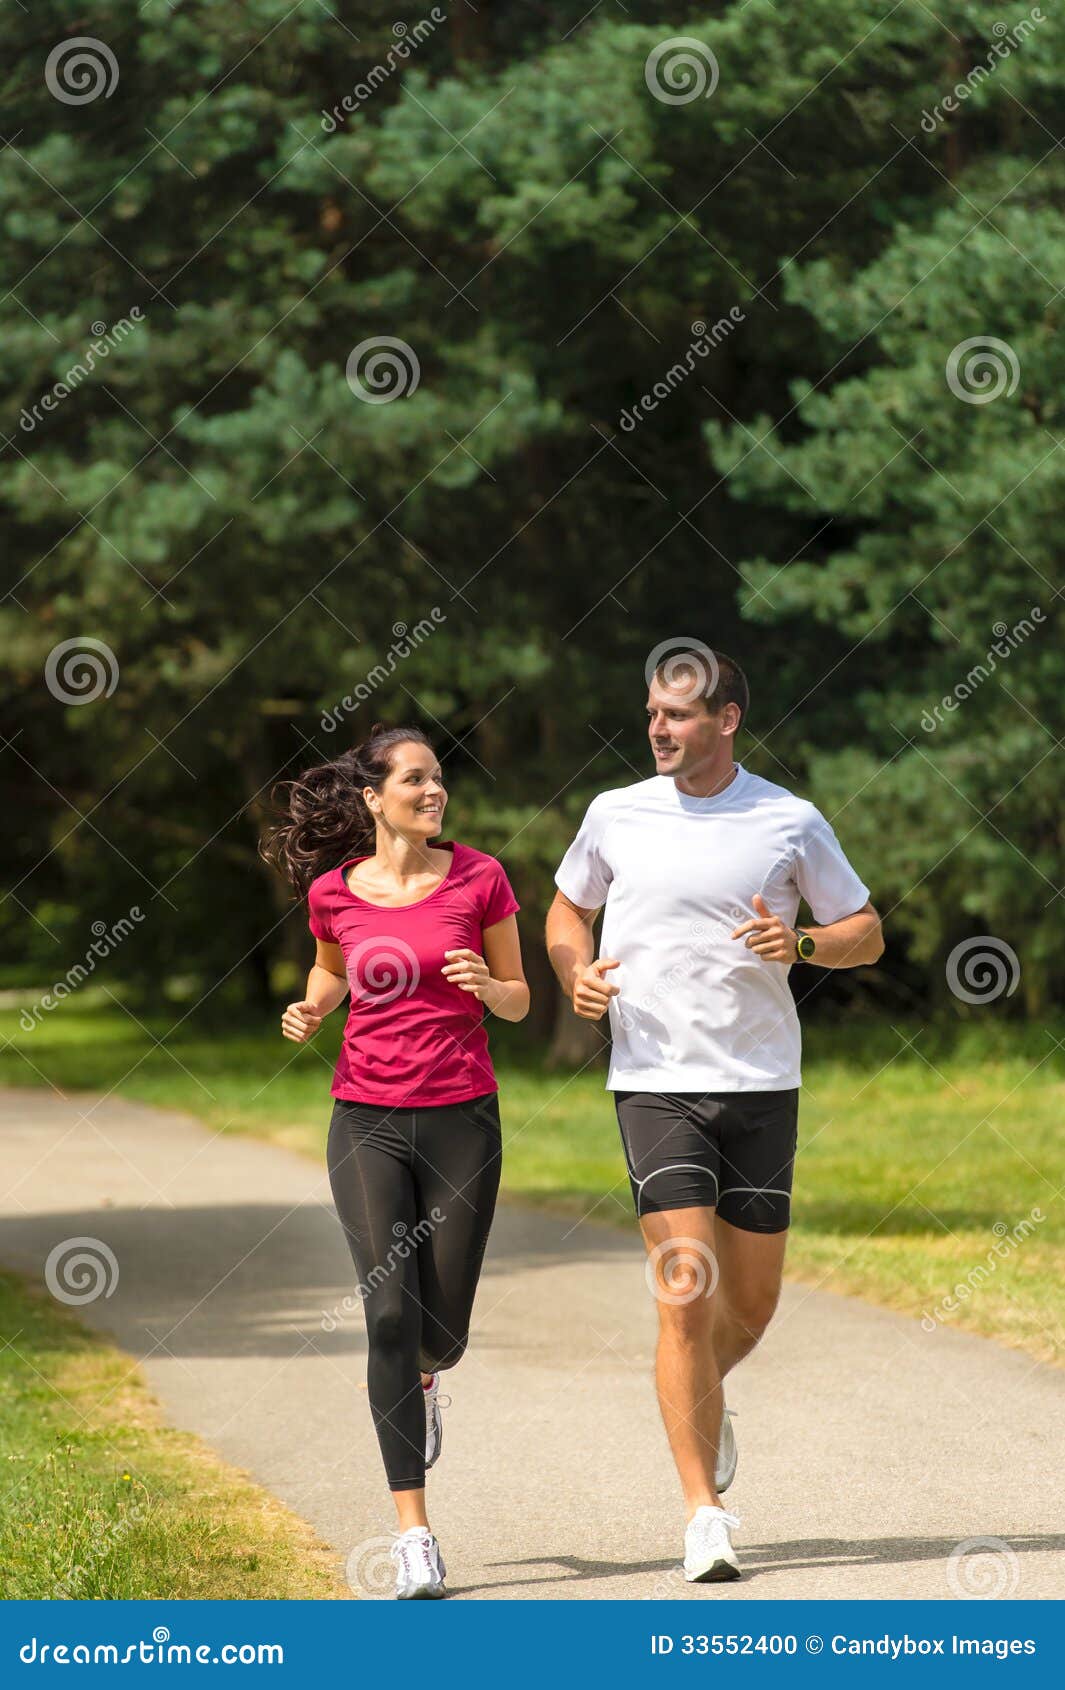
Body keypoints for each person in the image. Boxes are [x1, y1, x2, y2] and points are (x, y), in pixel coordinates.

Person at [545, 647, 883, 1582]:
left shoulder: (788, 819)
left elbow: (864, 933)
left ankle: (696, 1396)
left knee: (754, 1305)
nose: (657, 728)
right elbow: (566, 913)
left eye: (678, 714)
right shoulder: (615, 813)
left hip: (761, 1082)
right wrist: (576, 974)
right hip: (654, 1081)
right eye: (652, 711)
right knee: (684, 1291)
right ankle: (704, 1514)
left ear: (726, 720)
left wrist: (801, 942)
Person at [264, 724, 528, 1599]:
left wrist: (489, 989)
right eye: (414, 779)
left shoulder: (480, 878)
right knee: (385, 1315)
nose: (432, 790)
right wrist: (311, 1008)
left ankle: (425, 1377)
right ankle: (414, 1533)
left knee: (438, 1334)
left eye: (437, 777)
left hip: (462, 1121)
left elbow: (520, 1000)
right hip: (365, 1121)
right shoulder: (333, 891)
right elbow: (330, 971)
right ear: (373, 798)